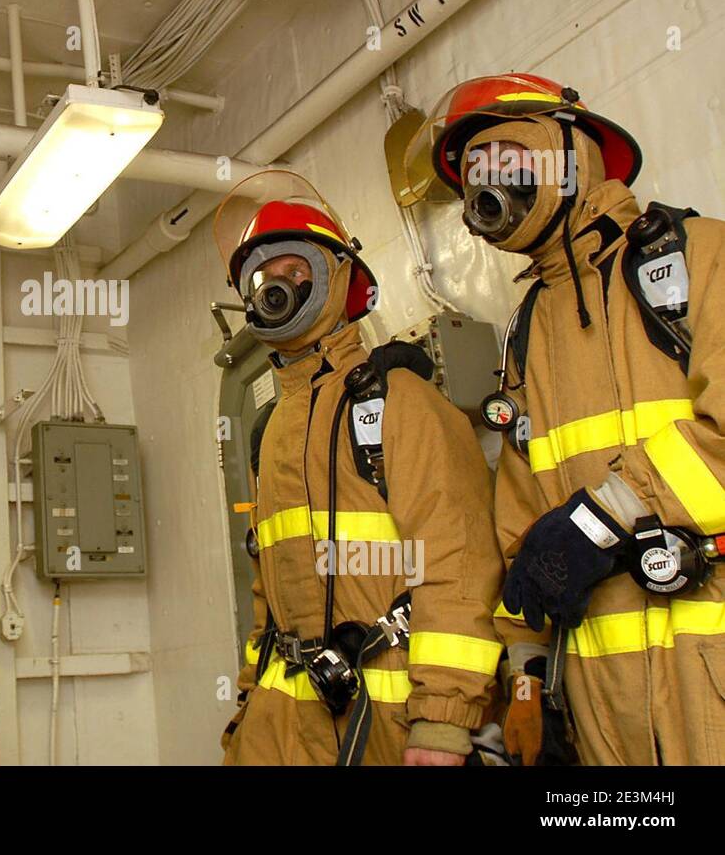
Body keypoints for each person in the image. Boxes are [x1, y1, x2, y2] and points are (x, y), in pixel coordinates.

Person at [418, 71, 725, 765]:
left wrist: (608, 513)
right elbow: (525, 532)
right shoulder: (530, 329)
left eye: (506, 162)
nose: (485, 191)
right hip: (599, 709)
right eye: (473, 177)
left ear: (569, 155)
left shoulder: (702, 258)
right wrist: (527, 674)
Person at [216, 169, 502, 766]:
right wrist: (249, 710)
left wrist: (444, 722)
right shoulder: (271, 433)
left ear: (339, 280)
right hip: (280, 724)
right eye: (264, 278)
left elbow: (460, 562)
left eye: (297, 271)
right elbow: (267, 589)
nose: (278, 286)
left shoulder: (400, 401)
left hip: (386, 720)